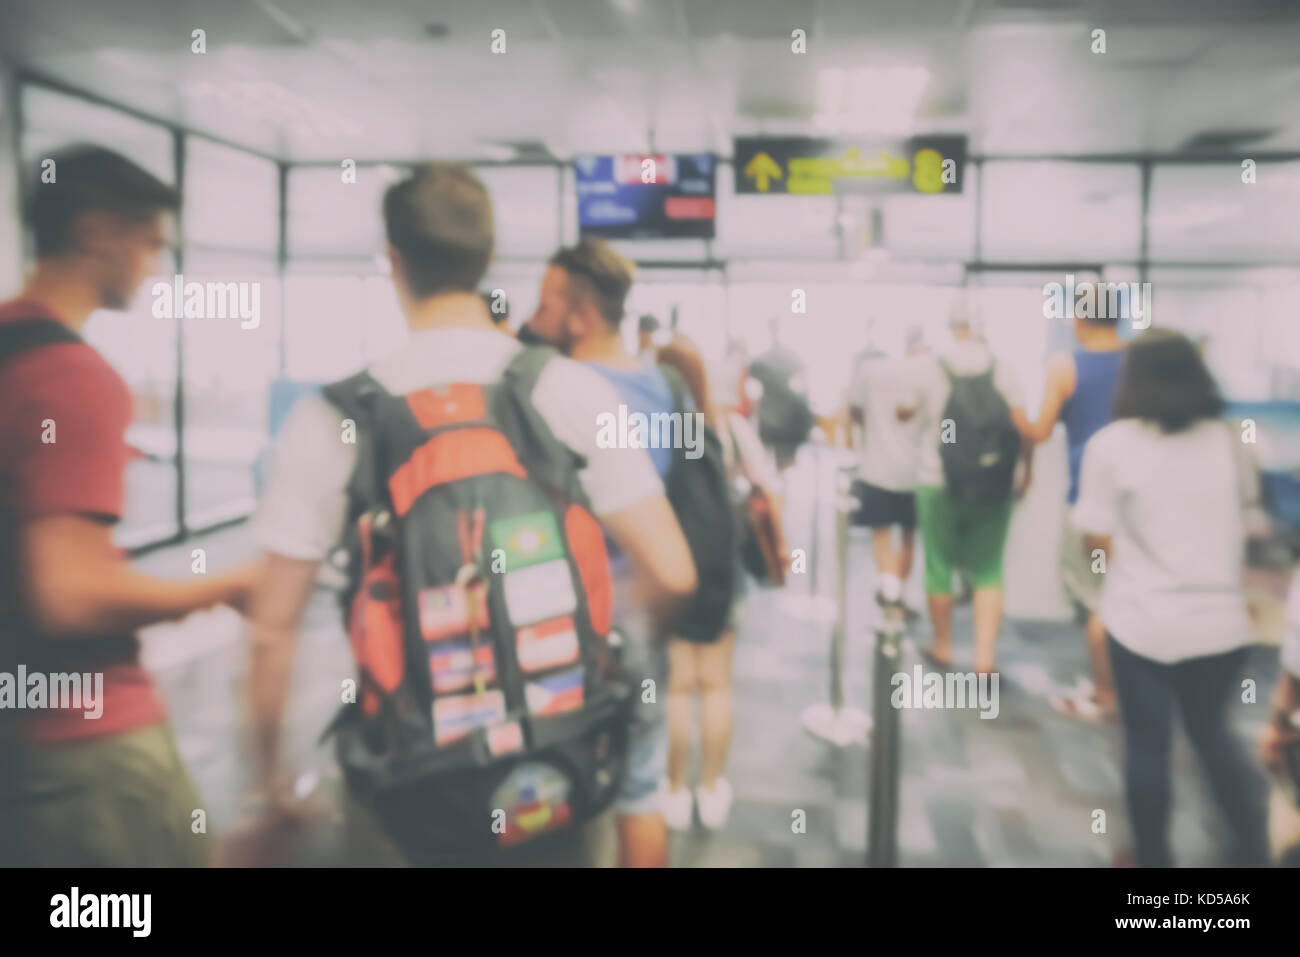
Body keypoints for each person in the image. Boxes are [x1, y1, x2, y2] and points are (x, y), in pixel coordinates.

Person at [246, 167, 695, 867]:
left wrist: (269, 783)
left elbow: (272, 630)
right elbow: (672, 571)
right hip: (554, 761)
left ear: (393, 260)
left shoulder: (332, 416)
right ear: (488, 260)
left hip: (405, 779)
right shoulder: (570, 391)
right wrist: (601, 648)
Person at [0, 146, 260, 866]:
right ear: (94, 231)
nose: (153, 265)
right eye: (148, 243)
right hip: (88, 741)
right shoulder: (72, 377)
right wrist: (229, 585)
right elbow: (68, 594)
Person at [525, 237, 696, 865]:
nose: (532, 315)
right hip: (643, 605)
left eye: (545, 303)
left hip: (576, 615)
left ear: (581, 316)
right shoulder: (659, 382)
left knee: (544, 788)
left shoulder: (559, 389)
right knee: (639, 787)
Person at [1073, 328, 1270, 868]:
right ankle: (1252, 849)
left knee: (1146, 745)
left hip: (1142, 620)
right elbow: (1252, 524)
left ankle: (1153, 864)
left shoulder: (1111, 445)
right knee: (1212, 734)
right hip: (1220, 623)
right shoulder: (1233, 441)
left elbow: (1094, 531)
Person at [898, 309, 1032, 676]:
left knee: (938, 564)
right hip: (993, 481)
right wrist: (1025, 472)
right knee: (989, 568)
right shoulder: (1004, 368)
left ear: (949, 328)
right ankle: (984, 660)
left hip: (938, 478)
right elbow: (1023, 428)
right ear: (980, 328)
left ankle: (943, 645)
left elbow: (904, 412)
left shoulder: (928, 367)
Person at [1015, 303, 1125, 721]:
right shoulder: (1139, 363)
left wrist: (1016, 418)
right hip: (1134, 502)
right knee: (1124, 587)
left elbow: (1041, 431)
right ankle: (1122, 684)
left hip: (1091, 499)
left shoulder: (1065, 366)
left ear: (1078, 320)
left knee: (1096, 595)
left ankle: (1105, 692)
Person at [848, 326, 924, 614]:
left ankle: (890, 592)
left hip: (877, 466)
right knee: (908, 535)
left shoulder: (868, 370)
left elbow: (855, 412)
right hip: (915, 470)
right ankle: (899, 594)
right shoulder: (921, 372)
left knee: (881, 534)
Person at [748, 318, 814, 473]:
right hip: (785, 420)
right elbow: (804, 386)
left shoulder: (762, 359)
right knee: (781, 467)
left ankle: (775, 489)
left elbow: (750, 390)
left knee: (769, 465)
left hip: (771, 420)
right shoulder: (789, 357)